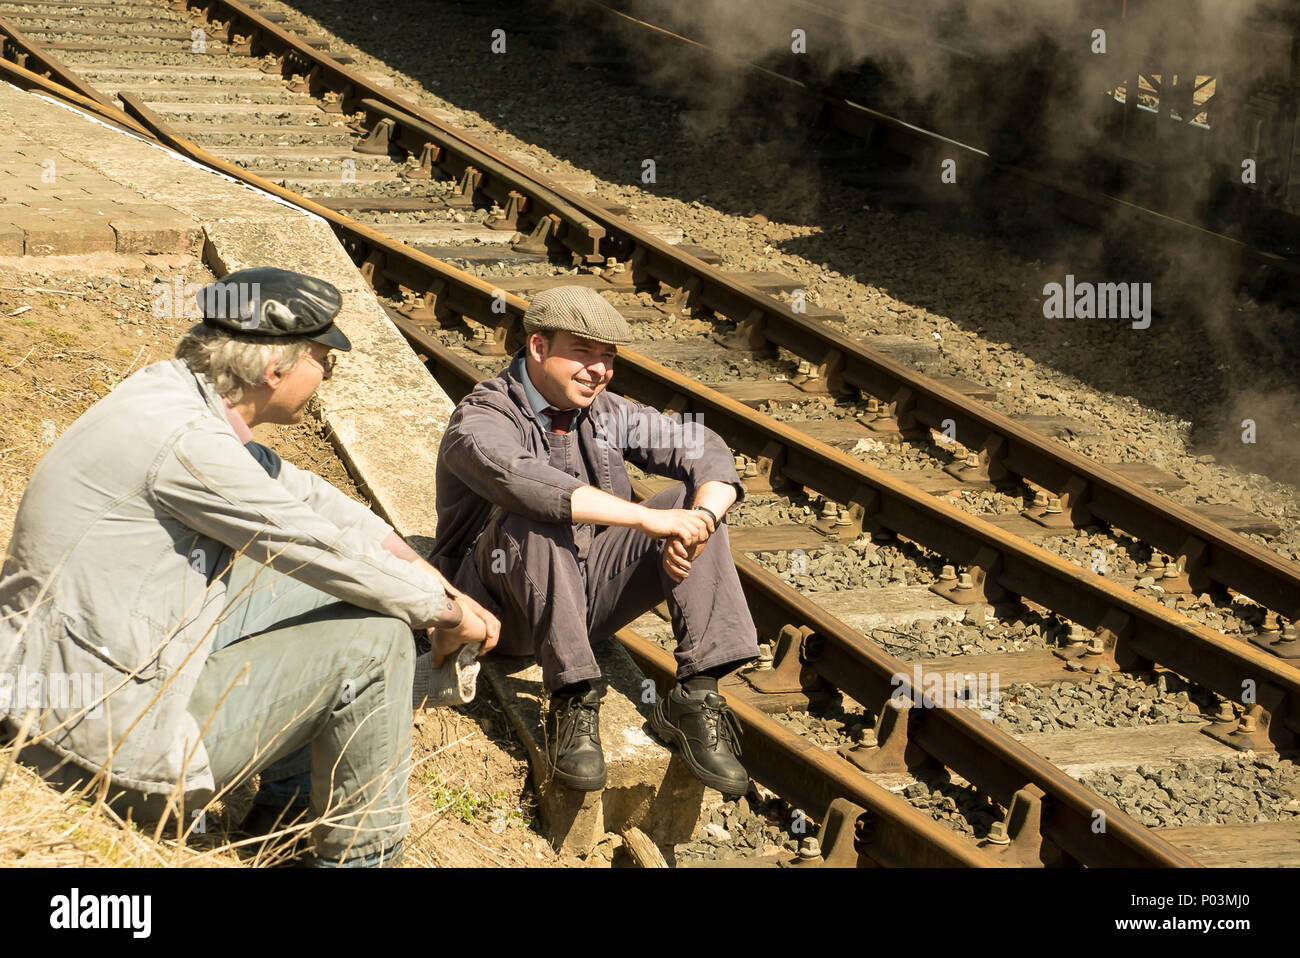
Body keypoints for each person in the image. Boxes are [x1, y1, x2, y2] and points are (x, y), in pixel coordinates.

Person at [0, 267, 499, 867]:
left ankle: (283, 812)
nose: (326, 377)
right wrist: (444, 613)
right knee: (375, 642)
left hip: (61, 682)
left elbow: (312, 501)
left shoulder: (168, 393)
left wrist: (432, 580)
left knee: (345, 593)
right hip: (96, 737)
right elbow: (315, 545)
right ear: (276, 371)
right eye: (324, 361)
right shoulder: (191, 444)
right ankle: (365, 860)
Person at [430, 286, 758, 796]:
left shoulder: (605, 411)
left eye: (607, 357)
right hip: (496, 609)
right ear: (538, 347)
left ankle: (696, 695)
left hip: (582, 597)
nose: (598, 370)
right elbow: (525, 483)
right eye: (582, 352)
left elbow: (702, 447)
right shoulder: (481, 418)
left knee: (689, 505)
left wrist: (701, 518)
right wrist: (645, 523)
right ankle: (573, 696)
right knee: (535, 517)